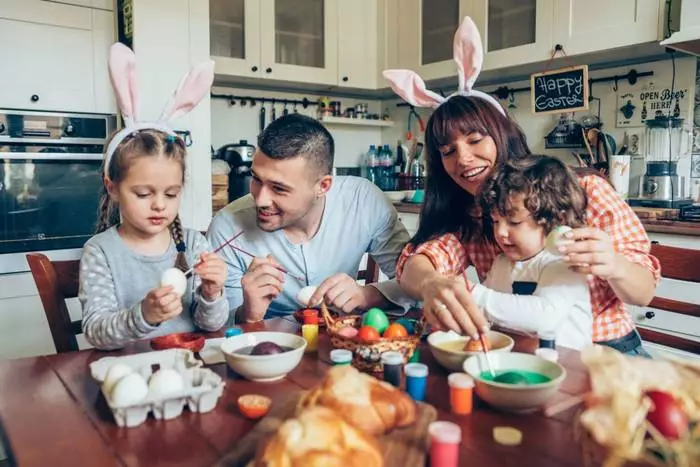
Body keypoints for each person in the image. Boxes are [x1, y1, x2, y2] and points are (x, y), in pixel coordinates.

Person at [383, 17, 658, 356]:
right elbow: (417, 263)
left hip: (609, 353)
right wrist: (431, 284)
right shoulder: (469, 213)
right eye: (448, 151)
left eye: (475, 140)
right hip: (524, 352)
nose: (463, 159)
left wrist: (613, 264)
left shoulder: (584, 191)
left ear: (503, 136)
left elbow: (643, 293)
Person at [79, 43, 228, 350]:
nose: (160, 204)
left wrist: (213, 293)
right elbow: (95, 331)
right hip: (130, 372)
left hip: (192, 369)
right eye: (144, 193)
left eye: (171, 194)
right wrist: (143, 315)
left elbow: (210, 325)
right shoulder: (101, 252)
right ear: (112, 187)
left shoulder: (194, 243)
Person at [207, 113, 413, 323]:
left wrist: (367, 295)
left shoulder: (363, 201)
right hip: (268, 345)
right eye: (257, 179)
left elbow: (417, 283)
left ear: (323, 186)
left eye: (279, 188)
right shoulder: (227, 227)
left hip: (340, 342)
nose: (260, 200)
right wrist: (248, 314)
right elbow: (220, 326)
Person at [470, 154, 592, 350]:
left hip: (568, 367)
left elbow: (544, 317)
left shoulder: (564, 262)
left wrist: (474, 294)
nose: (500, 232)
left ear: (555, 219)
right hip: (520, 361)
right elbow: (484, 311)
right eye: (495, 221)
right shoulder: (502, 263)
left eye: (514, 222)